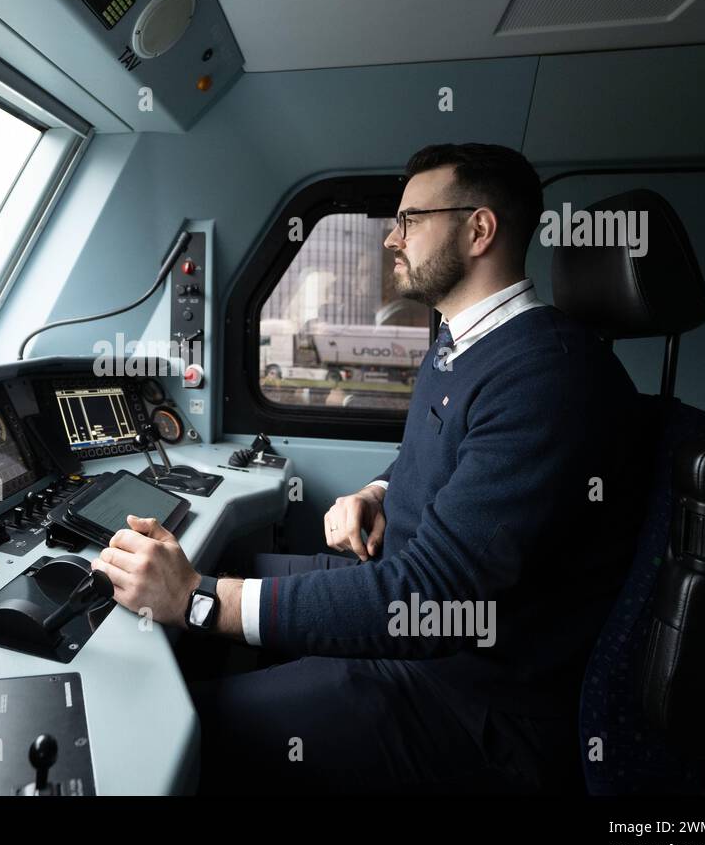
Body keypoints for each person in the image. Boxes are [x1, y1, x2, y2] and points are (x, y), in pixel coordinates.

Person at [91, 142, 647, 794]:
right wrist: (378, 491)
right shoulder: (466, 343)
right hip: (407, 602)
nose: (391, 239)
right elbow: (439, 456)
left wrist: (199, 600)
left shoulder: (546, 377)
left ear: (479, 229)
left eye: (411, 219)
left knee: (177, 731)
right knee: (229, 575)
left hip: (469, 697)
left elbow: (431, 596)